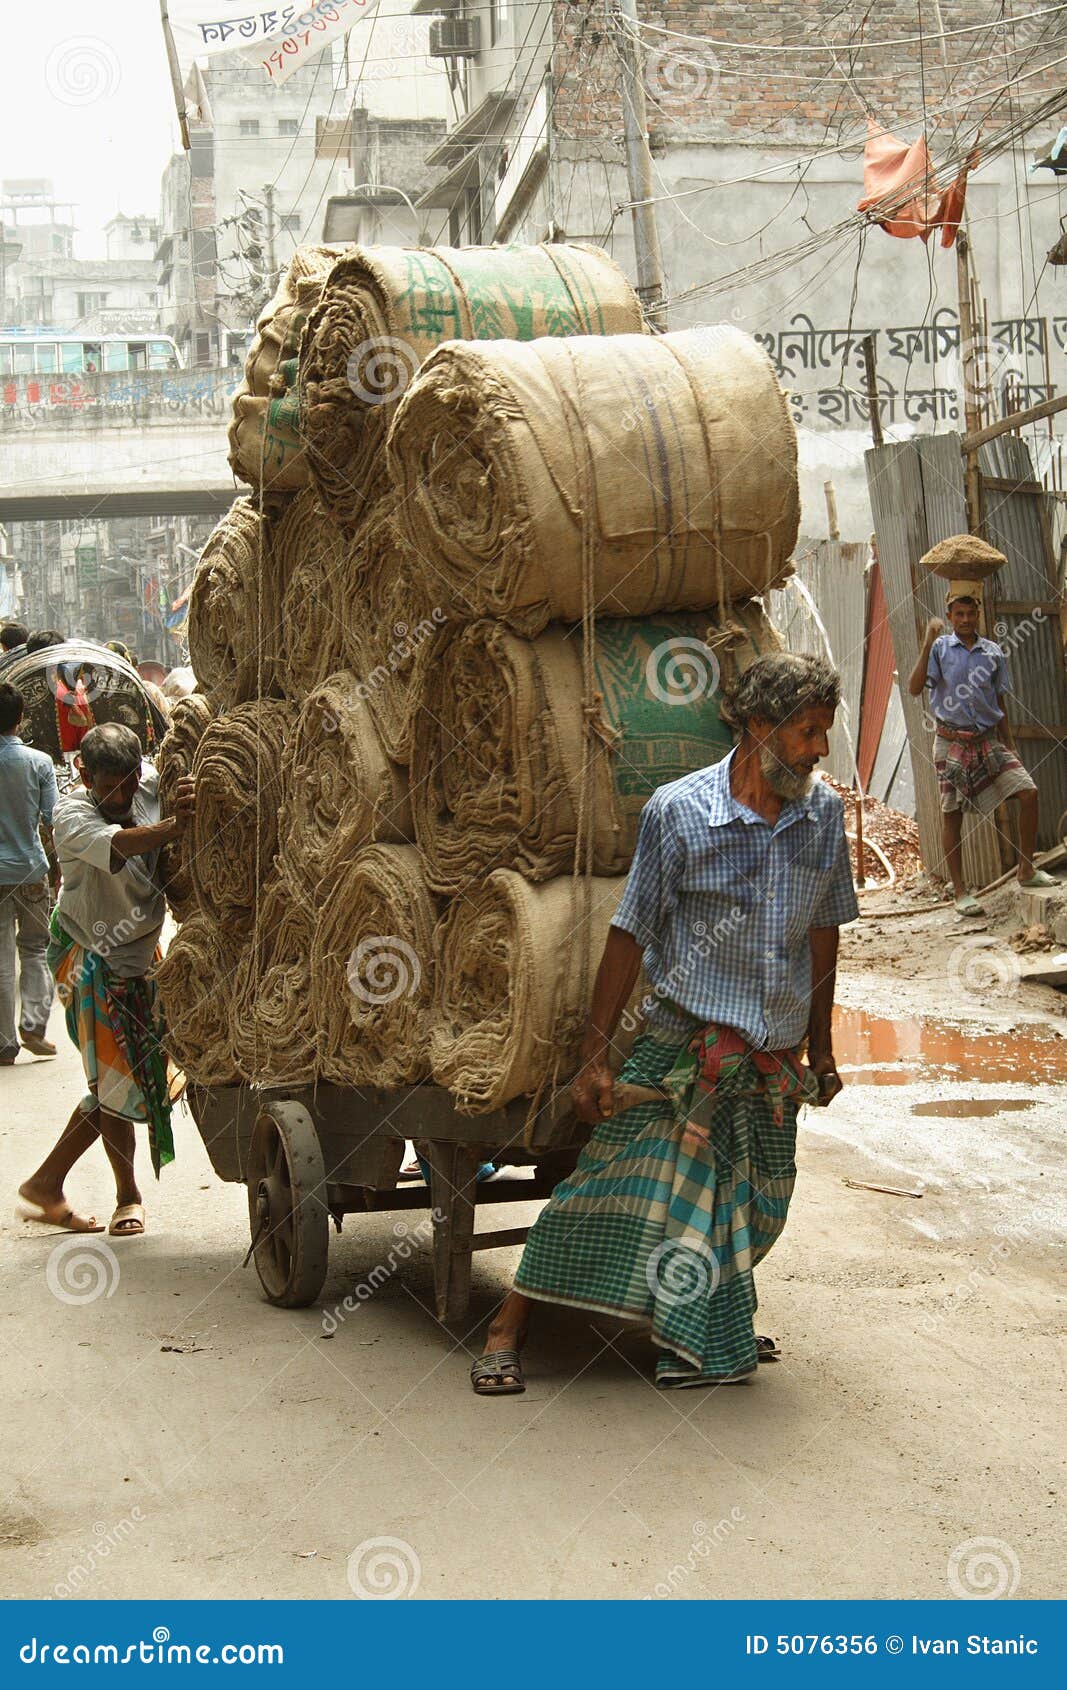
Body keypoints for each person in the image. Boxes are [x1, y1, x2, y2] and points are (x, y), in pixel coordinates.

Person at [471, 653, 859, 1396]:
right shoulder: (677, 813)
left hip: (769, 1059)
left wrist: (823, 1045)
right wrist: (595, 1061)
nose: (818, 750)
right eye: (806, 732)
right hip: (682, 1052)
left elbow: (823, 930)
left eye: (823, 733)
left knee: (755, 1203)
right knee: (601, 1193)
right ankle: (504, 1328)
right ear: (756, 726)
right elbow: (629, 936)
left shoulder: (822, 815)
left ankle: (707, 1316)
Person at [16, 723, 194, 1237]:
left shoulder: (151, 786)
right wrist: (173, 828)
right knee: (117, 1080)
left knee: (124, 1077)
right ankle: (103, 1192)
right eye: (107, 785)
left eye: (128, 780)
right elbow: (120, 846)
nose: (119, 794)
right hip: (88, 954)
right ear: (83, 773)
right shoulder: (71, 814)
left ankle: (61, 1186)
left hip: (138, 953)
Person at [908, 583, 1058, 917]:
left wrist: (1010, 743)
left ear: (978, 615)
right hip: (950, 742)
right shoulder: (939, 649)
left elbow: (999, 699)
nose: (964, 619)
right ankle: (960, 892)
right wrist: (926, 643)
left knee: (1028, 792)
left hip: (988, 739)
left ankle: (1026, 870)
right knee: (951, 813)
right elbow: (915, 687)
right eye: (958, 614)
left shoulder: (992, 651)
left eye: (970, 613)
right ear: (949, 616)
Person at [0, 683, 60, 1064]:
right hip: (32, 869)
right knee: (36, 948)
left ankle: (5, 1042)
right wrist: (58, 868)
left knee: (1, 955)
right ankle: (34, 1025)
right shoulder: (39, 763)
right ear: (21, 719)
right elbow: (53, 820)